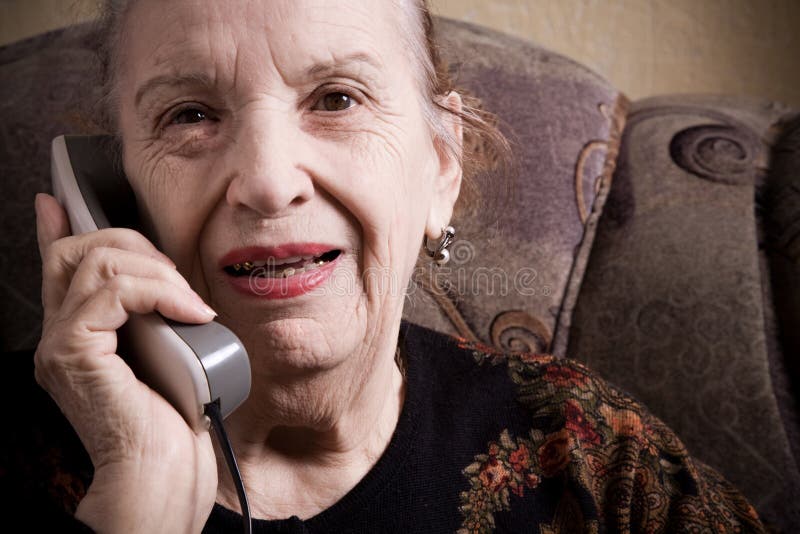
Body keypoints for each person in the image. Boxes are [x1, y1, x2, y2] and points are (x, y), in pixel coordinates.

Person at [6, 0, 766, 532]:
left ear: (442, 167)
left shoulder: (593, 454)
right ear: (112, 187)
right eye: (191, 115)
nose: (269, 181)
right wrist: (137, 499)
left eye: (337, 99)